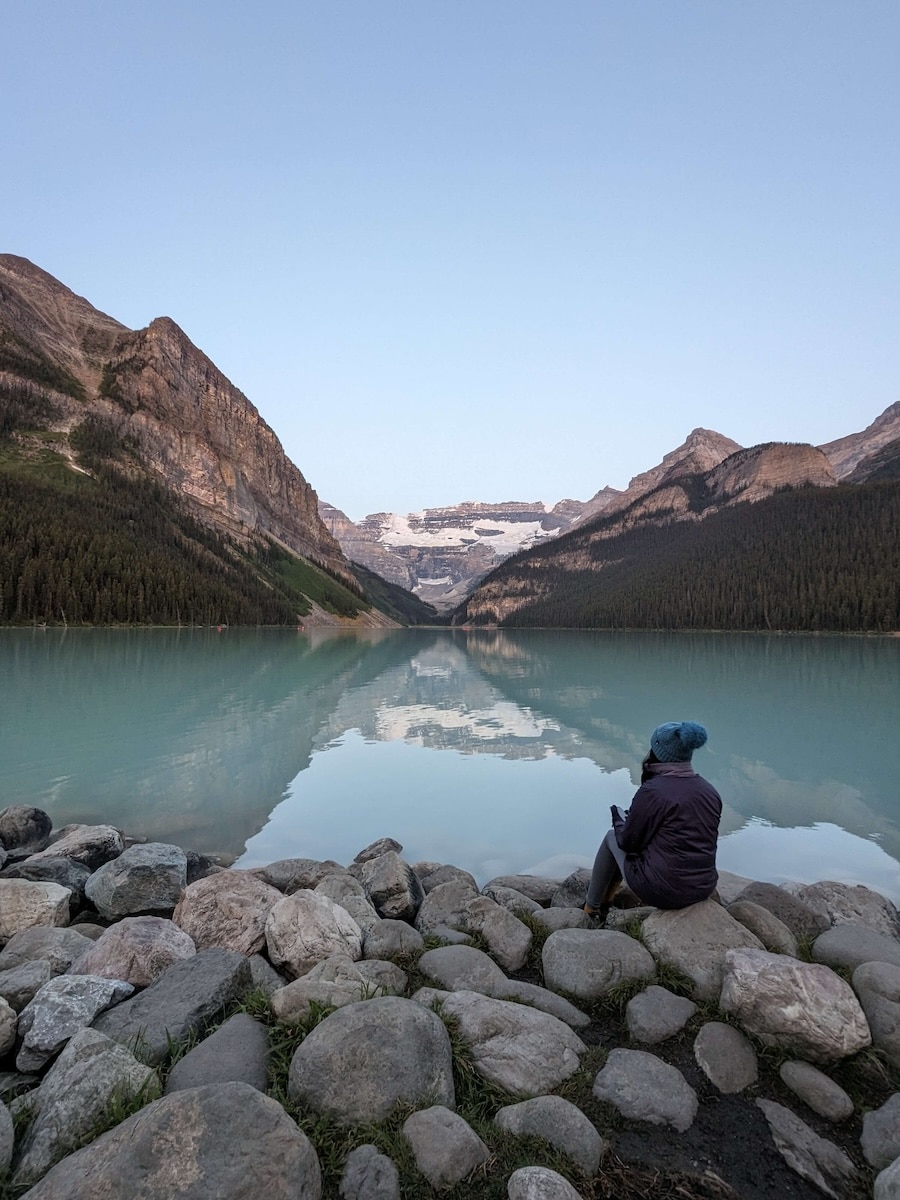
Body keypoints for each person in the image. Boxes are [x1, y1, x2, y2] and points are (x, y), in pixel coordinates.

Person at [584, 720, 721, 923]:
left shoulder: (653, 791)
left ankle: (591, 908)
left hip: (664, 891)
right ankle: (606, 899)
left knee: (612, 837)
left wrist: (618, 820)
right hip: (703, 887)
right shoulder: (709, 791)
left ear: (657, 751)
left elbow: (628, 843)